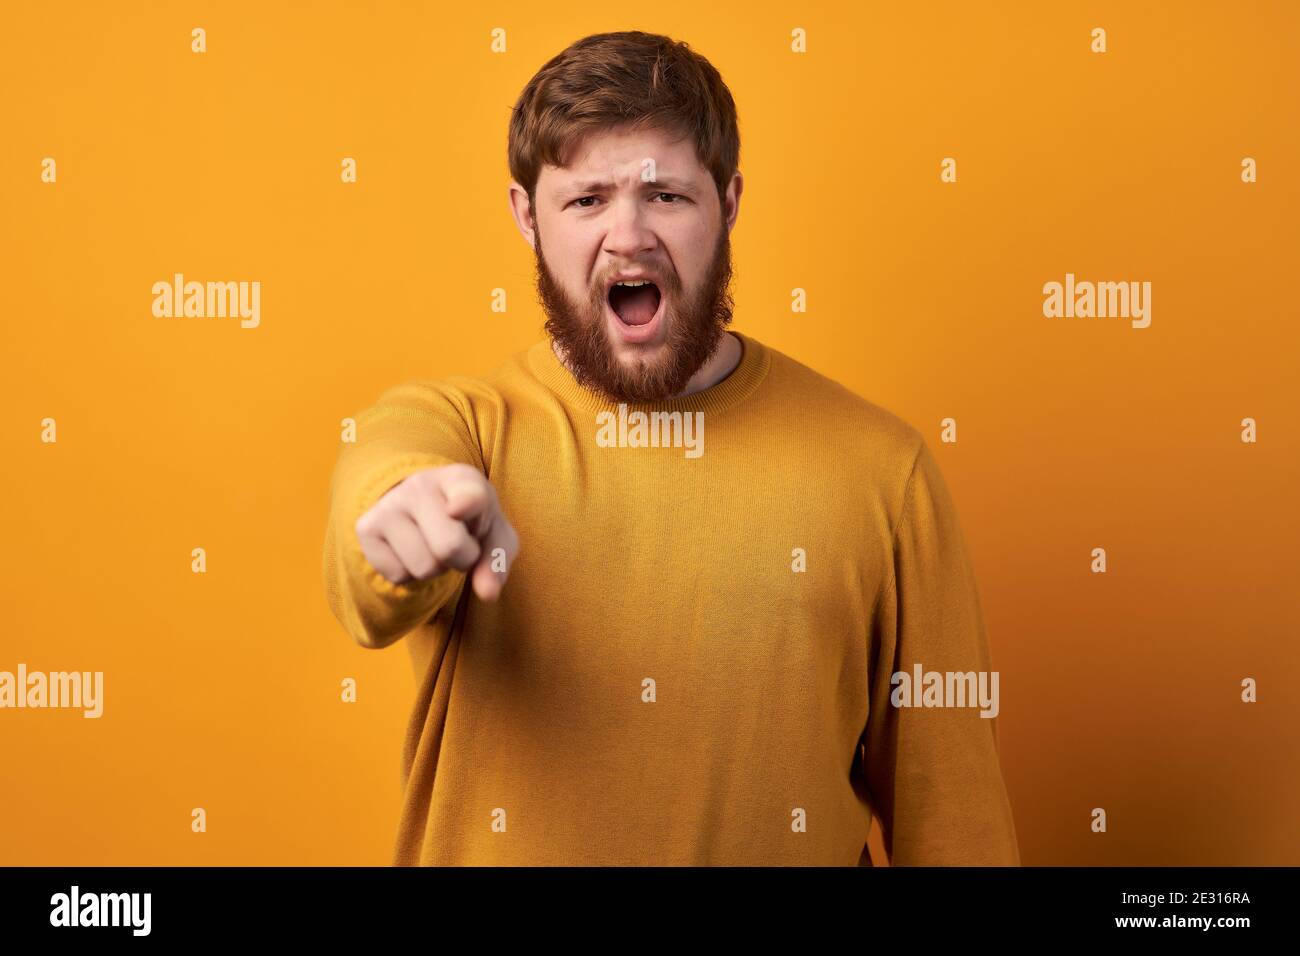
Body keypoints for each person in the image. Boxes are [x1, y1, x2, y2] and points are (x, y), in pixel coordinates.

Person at [322, 30, 1020, 866]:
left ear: (727, 204)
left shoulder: (883, 470)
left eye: (667, 197)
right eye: (586, 201)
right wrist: (401, 522)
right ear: (526, 217)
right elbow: (377, 514)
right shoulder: (462, 433)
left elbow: (956, 823)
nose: (629, 237)